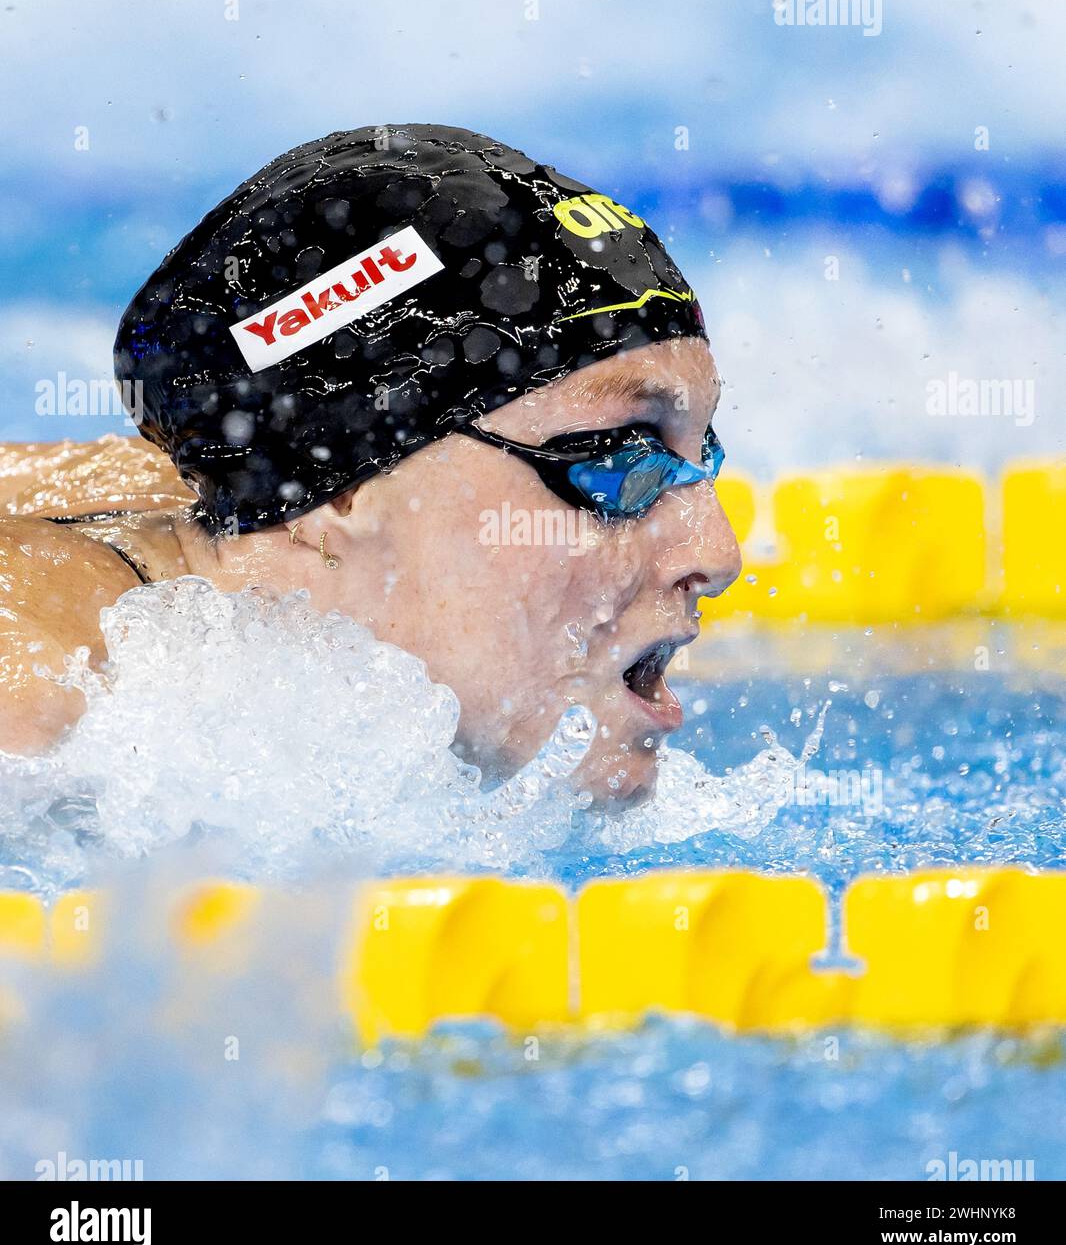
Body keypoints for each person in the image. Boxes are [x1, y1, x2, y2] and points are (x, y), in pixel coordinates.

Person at [0, 124, 740, 804]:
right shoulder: (39, 706)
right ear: (342, 488)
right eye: (616, 458)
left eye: (697, 454)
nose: (718, 554)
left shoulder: (209, 515)